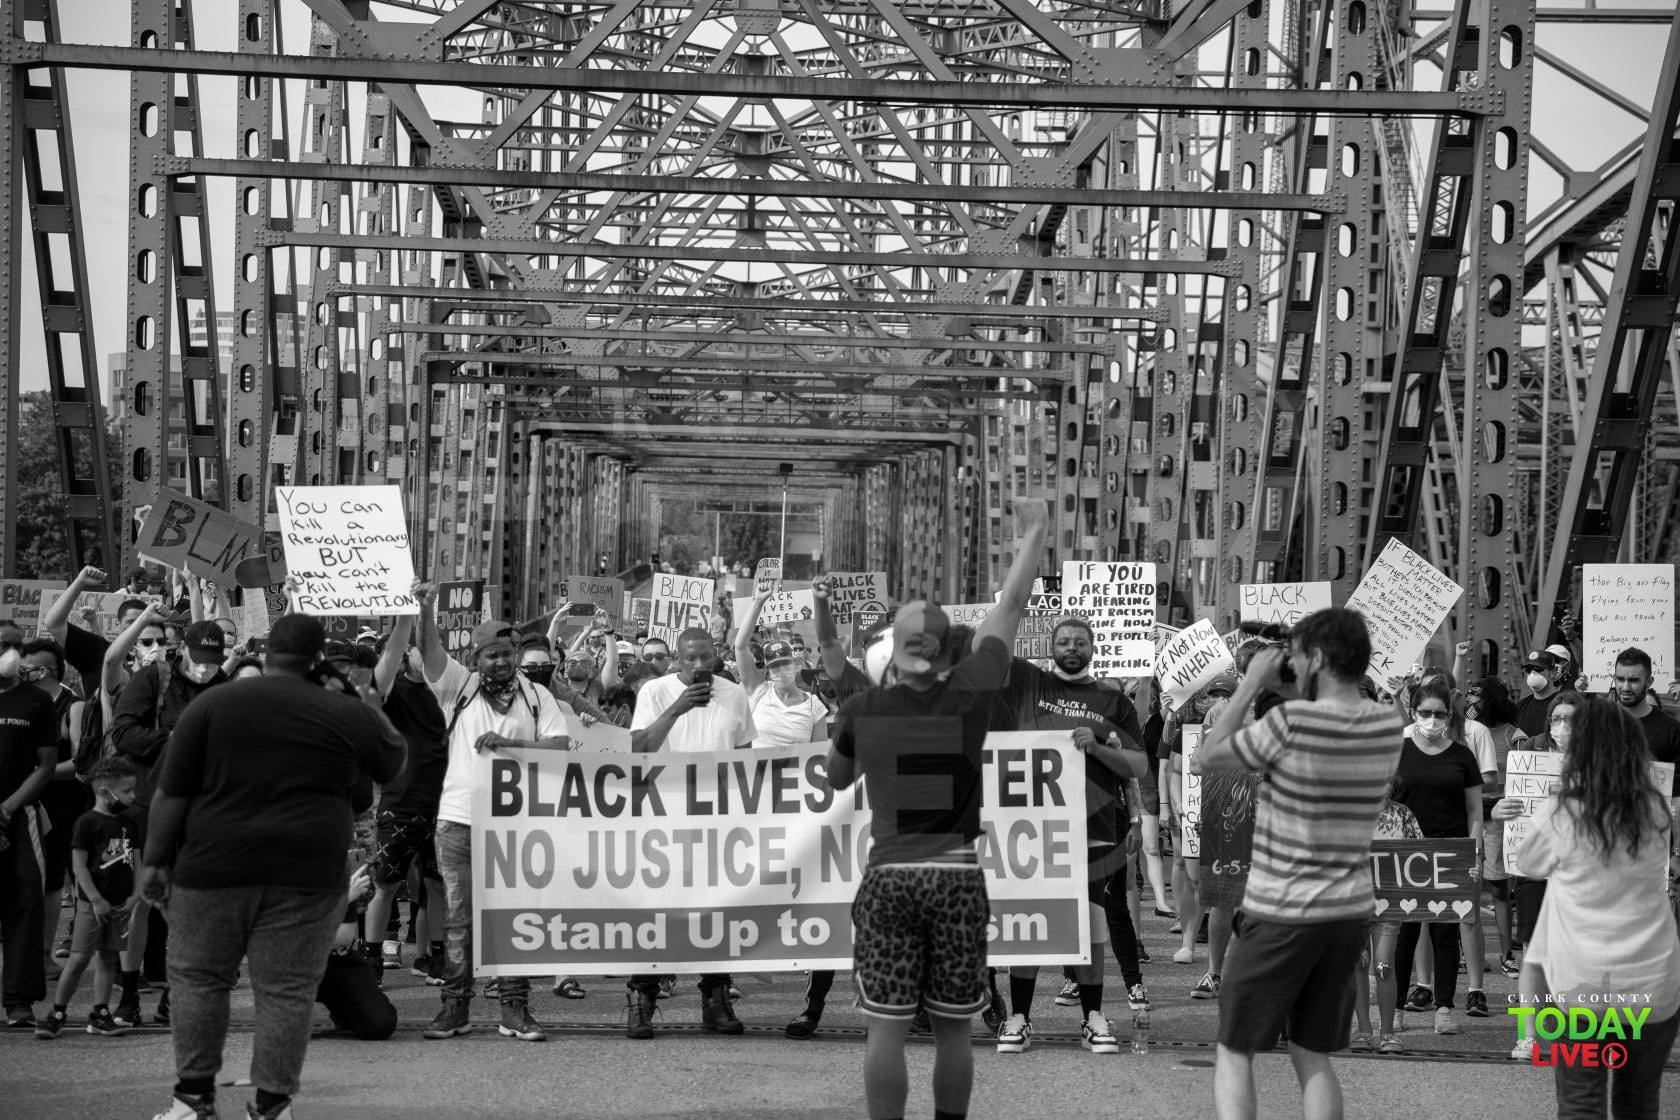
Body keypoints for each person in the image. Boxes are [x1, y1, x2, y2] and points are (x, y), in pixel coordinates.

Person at [823, 498, 1047, 1120]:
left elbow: (837, 780)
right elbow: (1010, 606)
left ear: (895, 651)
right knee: (954, 1029)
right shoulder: (971, 696)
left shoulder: (863, 711)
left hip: (891, 877)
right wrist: (1034, 529)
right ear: (949, 653)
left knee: (886, 1029)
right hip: (957, 876)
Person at [137, 612, 406, 1120]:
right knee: (286, 992)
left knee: (200, 982)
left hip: (211, 868)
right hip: (306, 874)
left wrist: (153, 862)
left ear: (267, 651)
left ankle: (192, 1100)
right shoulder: (342, 710)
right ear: (317, 657)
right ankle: (271, 1105)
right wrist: (354, 698)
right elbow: (395, 763)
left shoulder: (211, 704)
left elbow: (170, 792)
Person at [1193, 607, 1404, 1120]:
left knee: (1235, 1047)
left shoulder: (1289, 723)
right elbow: (1330, 714)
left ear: (1320, 658)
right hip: (1347, 912)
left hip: (1283, 909)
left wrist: (1251, 681)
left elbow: (1207, 754)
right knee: (1312, 1052)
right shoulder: (1386, 724)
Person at [414, 588, 570, 1043]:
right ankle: (455, 1009)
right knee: (459, 919)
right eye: (490, 655)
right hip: (458, 822)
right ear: (476, 657)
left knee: (513, 917)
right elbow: (429, 649)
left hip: (516, 826)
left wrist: (510, 746)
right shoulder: (457, 686)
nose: (500, 663)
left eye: (507, 654)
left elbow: (559, 749)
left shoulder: (536, 696)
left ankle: (514, 1010)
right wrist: (426, 609)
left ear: (517, 654)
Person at [994, 615, 1150, 1058]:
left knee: (1091, 922)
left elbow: (1137, 767)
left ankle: (1093, 1016)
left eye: (1081, 641)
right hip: (1031, 830)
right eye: (1064, 641)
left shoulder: (1113, 700)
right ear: (1051, 646)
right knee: (1029, 919)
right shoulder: (1028, 689)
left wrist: (1097, 746)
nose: (1072, 648)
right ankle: (1020, 1017)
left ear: (1093, 647)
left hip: (1095, 828)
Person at [1518, 696, 1680, 1118]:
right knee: (1639, 1105)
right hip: (1654, 984)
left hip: (1583, 989)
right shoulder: (1657, 808)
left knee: (1581, 1104)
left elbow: (1529, 863)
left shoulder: (1566, 810)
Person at [626, 627, 757, 1038]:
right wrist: (679, 708)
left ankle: (715, 999)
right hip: (662, 819)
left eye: (705, 658)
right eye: (689, 659)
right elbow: (639, 748)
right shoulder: (655, 692)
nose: (698, 666)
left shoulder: (733, 694)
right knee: (656, 911)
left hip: (716, 821)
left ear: (716, 656)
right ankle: (642, 1000)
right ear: (677, 659)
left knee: (715, 909)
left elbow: (745, 758)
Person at [1389, 678, 1484, 1033]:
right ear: (1412, 712)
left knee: (1446, 934)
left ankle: (1444, 1008)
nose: (1431, 719)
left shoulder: (1462, 755)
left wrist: (1475, 853)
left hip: (1451, 852)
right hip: (1405, 853)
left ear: (1449, 716)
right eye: (1424, 712)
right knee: (1404, 934)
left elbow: (1474, 811)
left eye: (1439, 713)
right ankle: (1395, 1007)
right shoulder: (1396, 750)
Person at [364, 617, 449, 985]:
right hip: (399, 805)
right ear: (406, 654)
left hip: (444, 805)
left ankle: (437, 959)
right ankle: (371, 961)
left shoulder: (451, 690)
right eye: (422, 648)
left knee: (437, 884)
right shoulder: (392, 691)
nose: (432, 654)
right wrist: (404, 625)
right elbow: (378, 680)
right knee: (384, 886)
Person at [35, 757, 141, 1039]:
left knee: (108, 958)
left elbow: (137, 863)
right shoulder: (86, 823)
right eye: (127, 790)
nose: (133, 796)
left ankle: (100, 1012)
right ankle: (57, 1012)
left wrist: (134, 897)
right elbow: (79, 867)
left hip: (119, 905)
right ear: (106, 792)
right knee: (79, 958)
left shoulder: (129, 825)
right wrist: (95, 899)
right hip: (90, 905)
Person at [0, 620, 58, 1028]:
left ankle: (18, 999)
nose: (12, 653)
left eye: (17, 645)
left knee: (25, 904)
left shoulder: (37, 701)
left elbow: (47, 765)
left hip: (22, 818)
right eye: (4, 644)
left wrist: (8, 808)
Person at [1350, 778, 1422, 1055]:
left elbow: (1424, 856)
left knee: (1383, 966)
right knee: (1357, 964)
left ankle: (1387, 1032)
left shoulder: (1403, 815)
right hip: (1354, 903)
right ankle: (1363, 1030)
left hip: (1391, 904)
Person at [315, 862, 398, 1042]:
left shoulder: (337, 866)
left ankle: (341, 1008)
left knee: (380, 1024)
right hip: (289, 967)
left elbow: (343, 937)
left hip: (334, 960)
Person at [1611, 647, 1680, 793]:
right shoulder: (1594, 724)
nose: (1625, 687)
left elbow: (1677, 793)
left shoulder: (1673, 730)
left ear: (1649, 682)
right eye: (1620, 679)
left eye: (1633, 680)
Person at [1515, 649, 1568, 737]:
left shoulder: (1563, 705)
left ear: (1553, 672)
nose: (1533, 673)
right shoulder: (1520, 706)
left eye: (1538, 669)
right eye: (1529, 670)